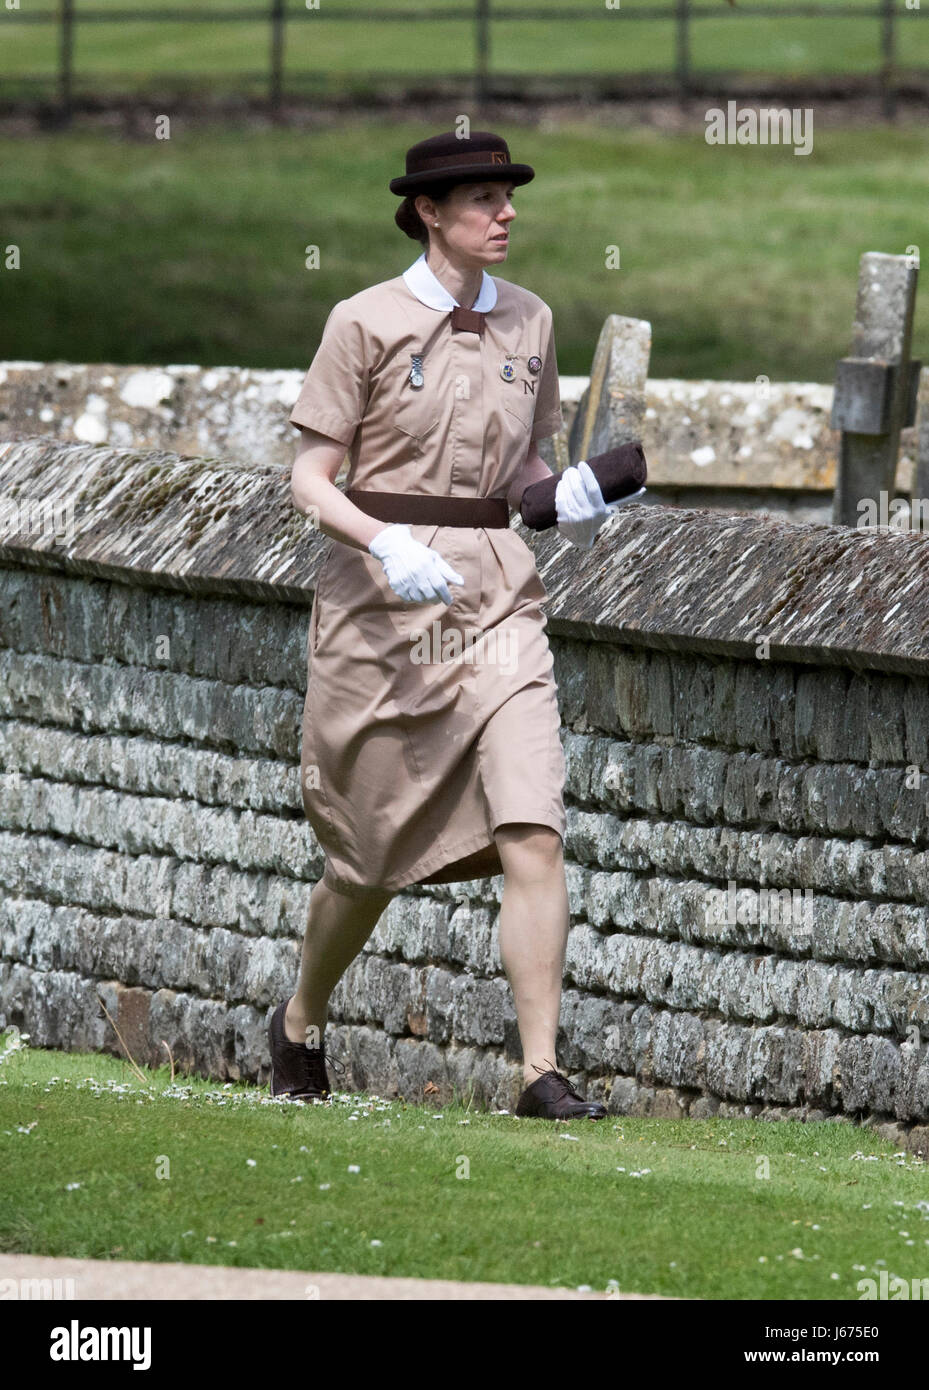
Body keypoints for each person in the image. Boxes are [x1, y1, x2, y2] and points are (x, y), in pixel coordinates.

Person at [269, 130, 621, 1121]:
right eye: (480, 199)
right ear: (428, 211)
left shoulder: (531, 320)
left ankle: (538, 1075)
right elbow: (307, 477)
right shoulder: (363, 322)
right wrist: (383, 542)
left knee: (532, 828)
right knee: (367, 857)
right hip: (382, 610)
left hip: (498, 601)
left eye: (507, 198)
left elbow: (523, 474)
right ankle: (298, 1021)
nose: (503, 214)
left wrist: (571, 494)